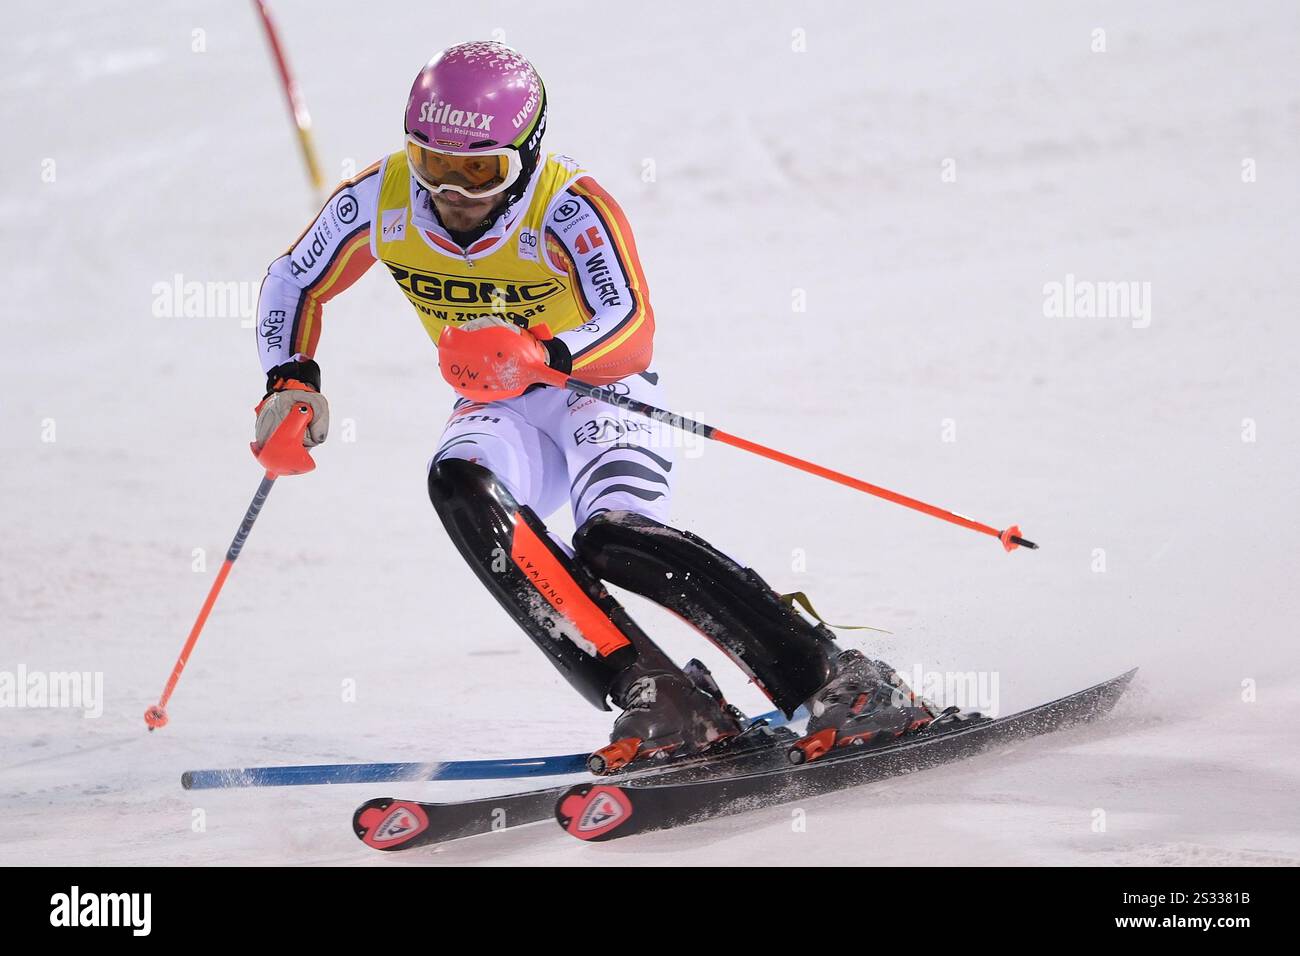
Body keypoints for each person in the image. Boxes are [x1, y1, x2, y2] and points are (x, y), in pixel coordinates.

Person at [251, 40, 937, 770]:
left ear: (525, 153)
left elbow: (632, 327)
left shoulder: (568, 206)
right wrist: (289, 380)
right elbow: (294, 279)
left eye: (479, 169)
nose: (452, 190)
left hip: (594, 390)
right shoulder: (379, 199)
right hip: (504, 408)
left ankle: (835, 678)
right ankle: (660, 696)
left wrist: (542, 353)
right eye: (432, 162)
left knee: (610, 537)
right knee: (458, 484)